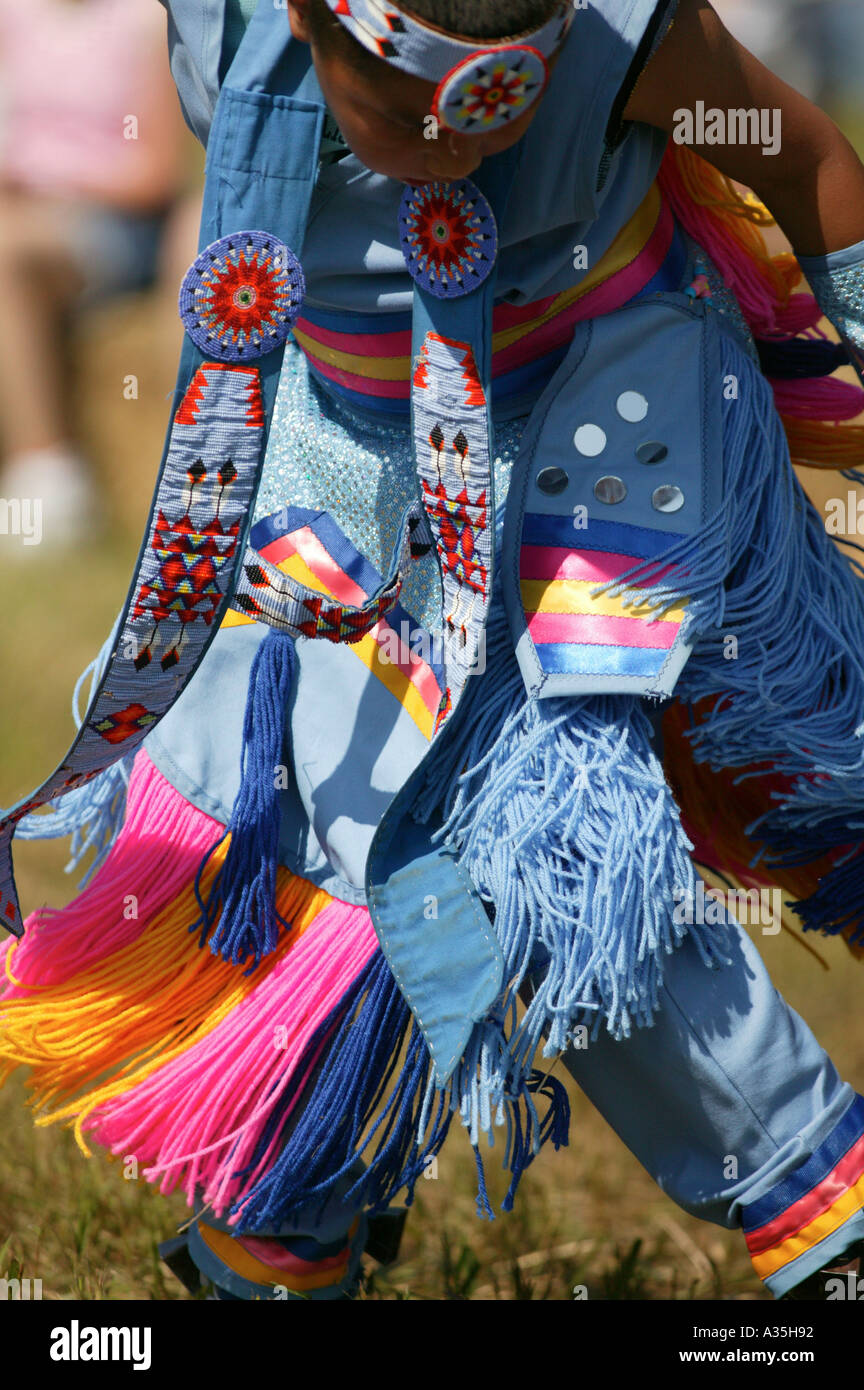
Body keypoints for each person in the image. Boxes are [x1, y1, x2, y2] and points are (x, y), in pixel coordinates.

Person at [3, 0, 864, 1303]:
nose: (447, 148)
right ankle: (289, 1212)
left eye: (494, 107)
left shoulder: (634, 37)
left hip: (600, 437)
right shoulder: (217, 24)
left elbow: (806, 160)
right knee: (316, 839)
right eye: (405, 112)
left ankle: (815, 1197)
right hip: (353, 466)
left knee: (569, 850)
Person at [0, 0, 193, 548]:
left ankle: (45, 487)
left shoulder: (144, 20)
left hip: (118, 226)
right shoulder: (13, 15)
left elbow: (155, 172)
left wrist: (40, 176)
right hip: (25, 214)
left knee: (5, 253)